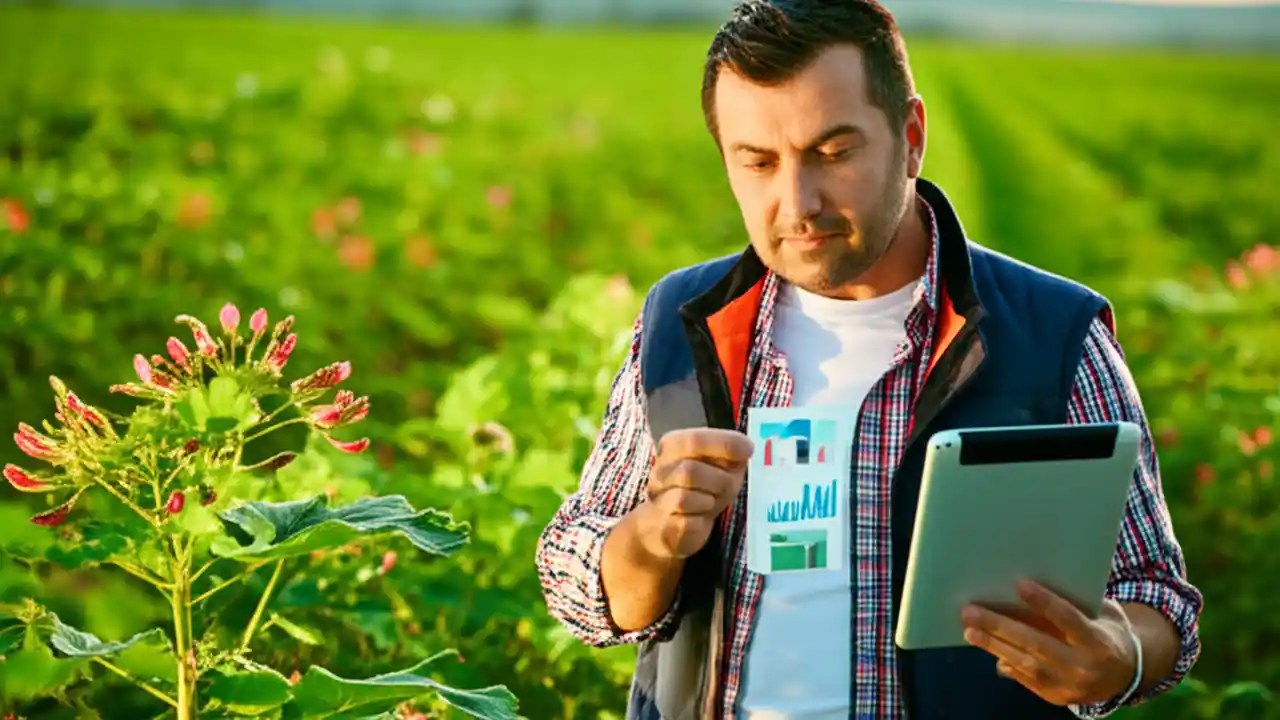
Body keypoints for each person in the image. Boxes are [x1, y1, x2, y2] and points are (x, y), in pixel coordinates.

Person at [534, 1, 1203, 718]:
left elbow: (1155, 593)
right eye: (758, 162)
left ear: (911, 138)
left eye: (833, 153)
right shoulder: (681, 320)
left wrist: (1119, 656)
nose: (798, 202)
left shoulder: (1055, 334)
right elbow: (576, 574)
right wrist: (650, 540)